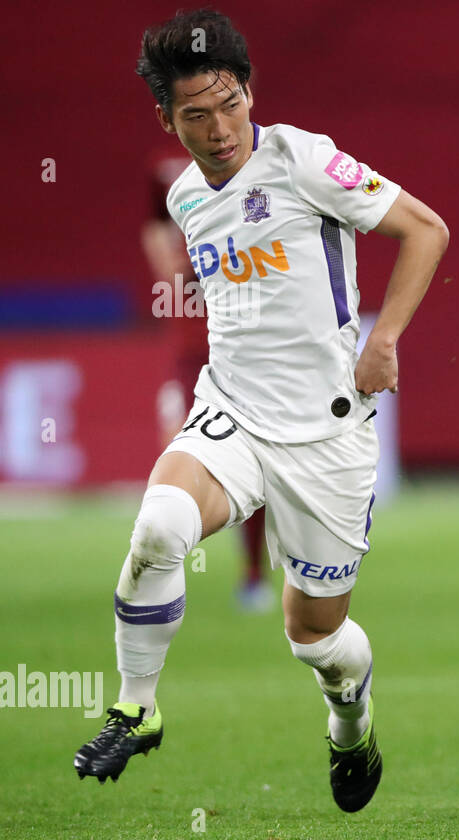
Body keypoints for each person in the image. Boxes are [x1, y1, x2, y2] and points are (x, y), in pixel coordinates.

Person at [74, 9, 450, 813]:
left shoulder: (303, 159)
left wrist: (384, 339)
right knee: (159, 526)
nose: (220, 129)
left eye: (230, 104)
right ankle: (137, 706)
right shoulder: (185, 198)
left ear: (249, 90)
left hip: (327, 435)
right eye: (196, 115)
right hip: (233, 412)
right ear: (167, 120)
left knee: (315, 639)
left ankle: (350, 719)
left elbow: (426, 229)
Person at [142, 148, 273, 613]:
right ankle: (164, 563)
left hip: (241, 345)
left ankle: (255, 573)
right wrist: (172, 266)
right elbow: (155, 227)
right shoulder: (169, 173)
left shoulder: (263, 164)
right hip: (188, 343)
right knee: (176, 448)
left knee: (256, 459)